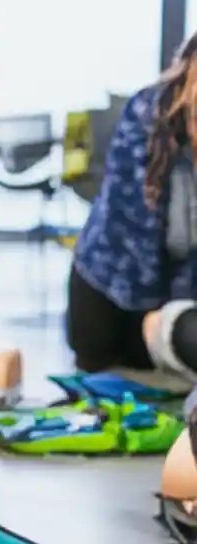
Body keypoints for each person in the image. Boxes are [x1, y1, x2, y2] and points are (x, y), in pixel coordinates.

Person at [70, 31, 197, 376]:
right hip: (113, 294)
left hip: (175, 304)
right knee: (107, 386)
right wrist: (167, 323)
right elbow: (133, 231)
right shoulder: (148, 114)